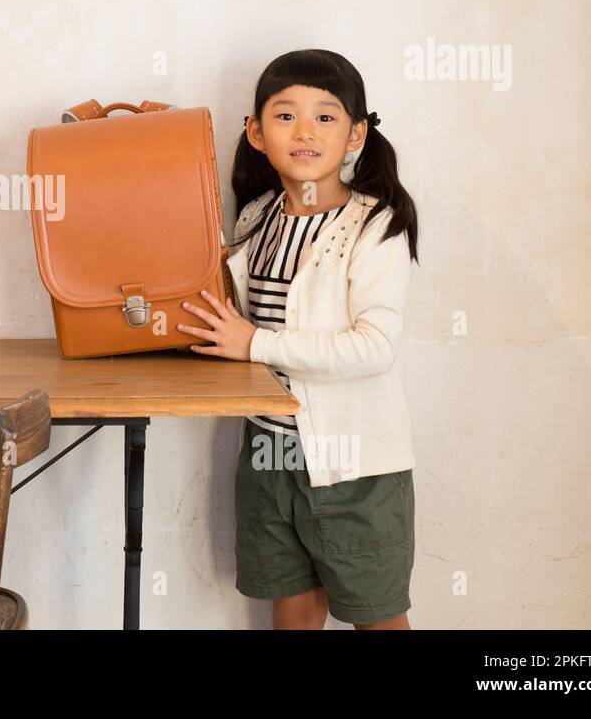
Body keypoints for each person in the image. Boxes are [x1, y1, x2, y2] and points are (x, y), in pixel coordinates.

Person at [177, 49, 420, 629]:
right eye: (285, 116)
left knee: (377, 617)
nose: (305, 131)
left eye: (326, 117)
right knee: (291, 611)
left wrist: (255, 344)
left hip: (352, 467)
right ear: (256, 133)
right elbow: (227, 318)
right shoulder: (256, 216)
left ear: (356, 134)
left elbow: (373, 347)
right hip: (267, 455)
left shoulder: (375, 224)